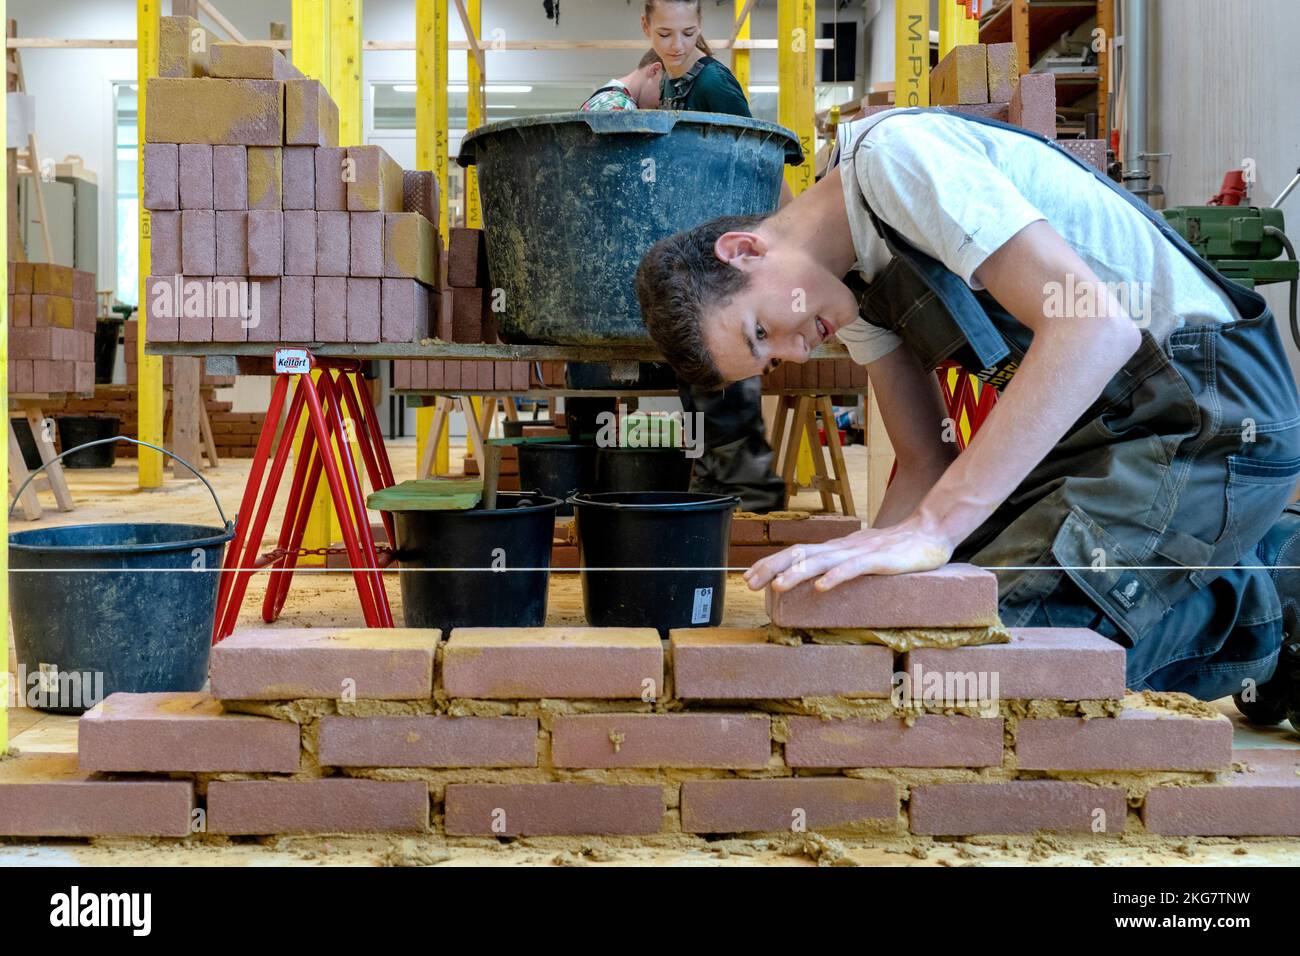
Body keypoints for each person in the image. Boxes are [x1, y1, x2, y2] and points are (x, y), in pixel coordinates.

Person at [634, 105, 1300, 713]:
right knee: (933, 619)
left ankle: (1270, 610)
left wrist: (933, 528)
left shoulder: (899, 159)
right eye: (771, 360)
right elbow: (926, 458)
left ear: (744, 251)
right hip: (1106, 441)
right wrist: (854, 582)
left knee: (984, 674)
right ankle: (1236, 567)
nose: (796, 354)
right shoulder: (847, 290)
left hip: (1207, 415)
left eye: (761, 331)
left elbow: (1094, 328)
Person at [638, 0, 787, 512]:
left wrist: (781, 231)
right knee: (700, 366)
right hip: (696, 239)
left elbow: (755, 158)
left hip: (728, 238)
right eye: (664, 33)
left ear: (702, 30)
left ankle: (749, 495)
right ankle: (715, 488)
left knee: (725, 358)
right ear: (646, 28)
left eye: (687, 32)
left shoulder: (713, 84)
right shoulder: (661, 76)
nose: (676, 44)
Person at [580, 49, 664, 112]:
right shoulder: (615, 107)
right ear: (655, 70)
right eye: (664, 90)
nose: (662, 104)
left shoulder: (613, 99)